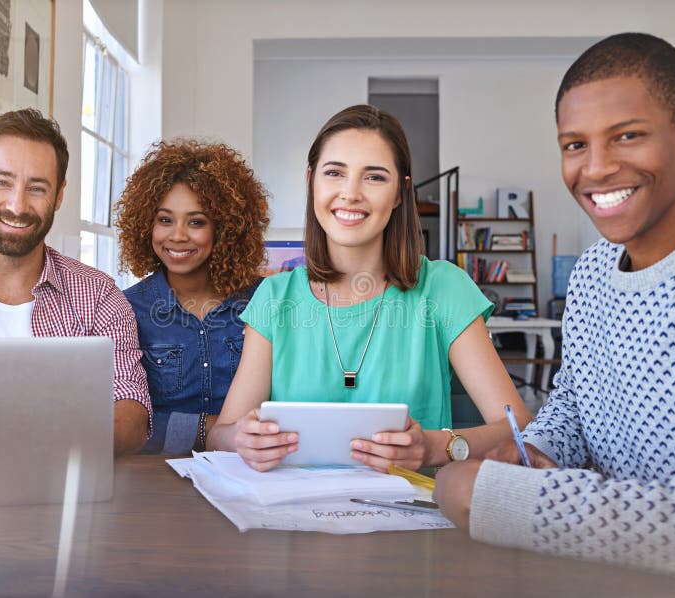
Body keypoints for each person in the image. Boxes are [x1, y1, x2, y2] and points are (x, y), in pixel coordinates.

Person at [433, 33, 675, 579]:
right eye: (575, 145)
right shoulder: (592, 272)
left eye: (627, 135)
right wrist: (535, 451)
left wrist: (513, 504)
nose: (596, 169)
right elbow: (576, 402)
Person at [206, 104, 531, 471]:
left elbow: (519, 430)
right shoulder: (275, 297)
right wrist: (241, 439)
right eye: (334, 173)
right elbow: (220, 435)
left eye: (374, 177)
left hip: (410, 515)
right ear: (311, 180)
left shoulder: (443, 289)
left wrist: (437, 446)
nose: (351, 193)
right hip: (293, 519)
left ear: (399, 193)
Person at [0, 108, 152, 457]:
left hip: (62, 496)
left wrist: (38, 444)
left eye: (37, 188)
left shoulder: (98, 296)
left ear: (59, 195)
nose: (17, 206)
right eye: (1, 182)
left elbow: (133, 415)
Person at [116, 140, 270, 454]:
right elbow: (125, 425)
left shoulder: (263, 302)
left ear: (225, 229)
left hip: (248, 475)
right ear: (147, 225)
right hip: (156, 482)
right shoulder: (126, 308)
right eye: (165, 219)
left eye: (196, 222)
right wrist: (213, 430)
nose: (178, 235)